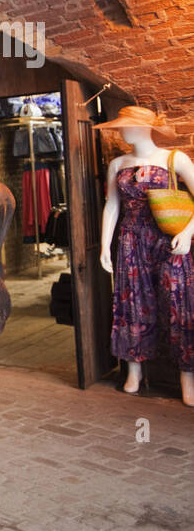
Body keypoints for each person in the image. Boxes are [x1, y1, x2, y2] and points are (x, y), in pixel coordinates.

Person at [97, 106, 194, 405]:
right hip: (131, 240)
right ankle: (134, 370)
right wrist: (104, 245)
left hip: (169, 239)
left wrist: (187, 233)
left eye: (125, 125)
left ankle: (188, 376)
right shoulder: (118, 164)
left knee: (179, 304)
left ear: (144, 128)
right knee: (132, 302)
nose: (121, 131)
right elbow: (112, 206)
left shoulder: (174, 158)